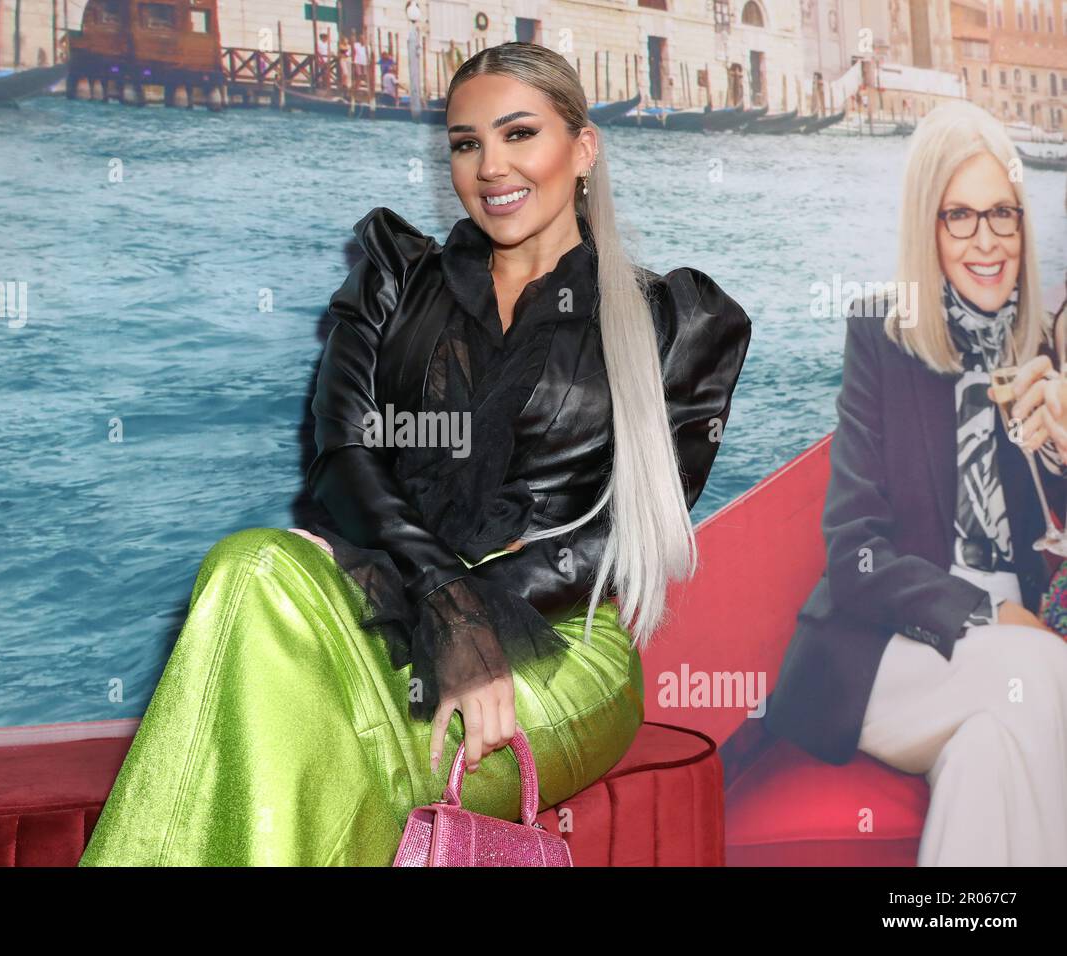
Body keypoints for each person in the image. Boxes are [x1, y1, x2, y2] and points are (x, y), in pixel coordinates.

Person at [79, 41, 750, 866]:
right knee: (250, 566)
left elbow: (624, 534)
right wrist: (442, 606)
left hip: (560, 643)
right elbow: (345, 459)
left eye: (519, 134)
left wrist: (476, 619)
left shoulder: (674, 320)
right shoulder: (395, 279)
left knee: (329, 749)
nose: (490, 166)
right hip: (392, 599)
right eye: (466, 143)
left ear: (583, 148)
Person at [765, 100, 1067, 865]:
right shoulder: (879, 335)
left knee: (989, 754)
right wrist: (988, 615)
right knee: (1042, 672)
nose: (987, 241)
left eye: (1002, 213)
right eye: (958, 216)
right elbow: (854, 555)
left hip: (1011, 662)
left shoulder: (1047, 347)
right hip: (886, 652)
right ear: (925, 228)